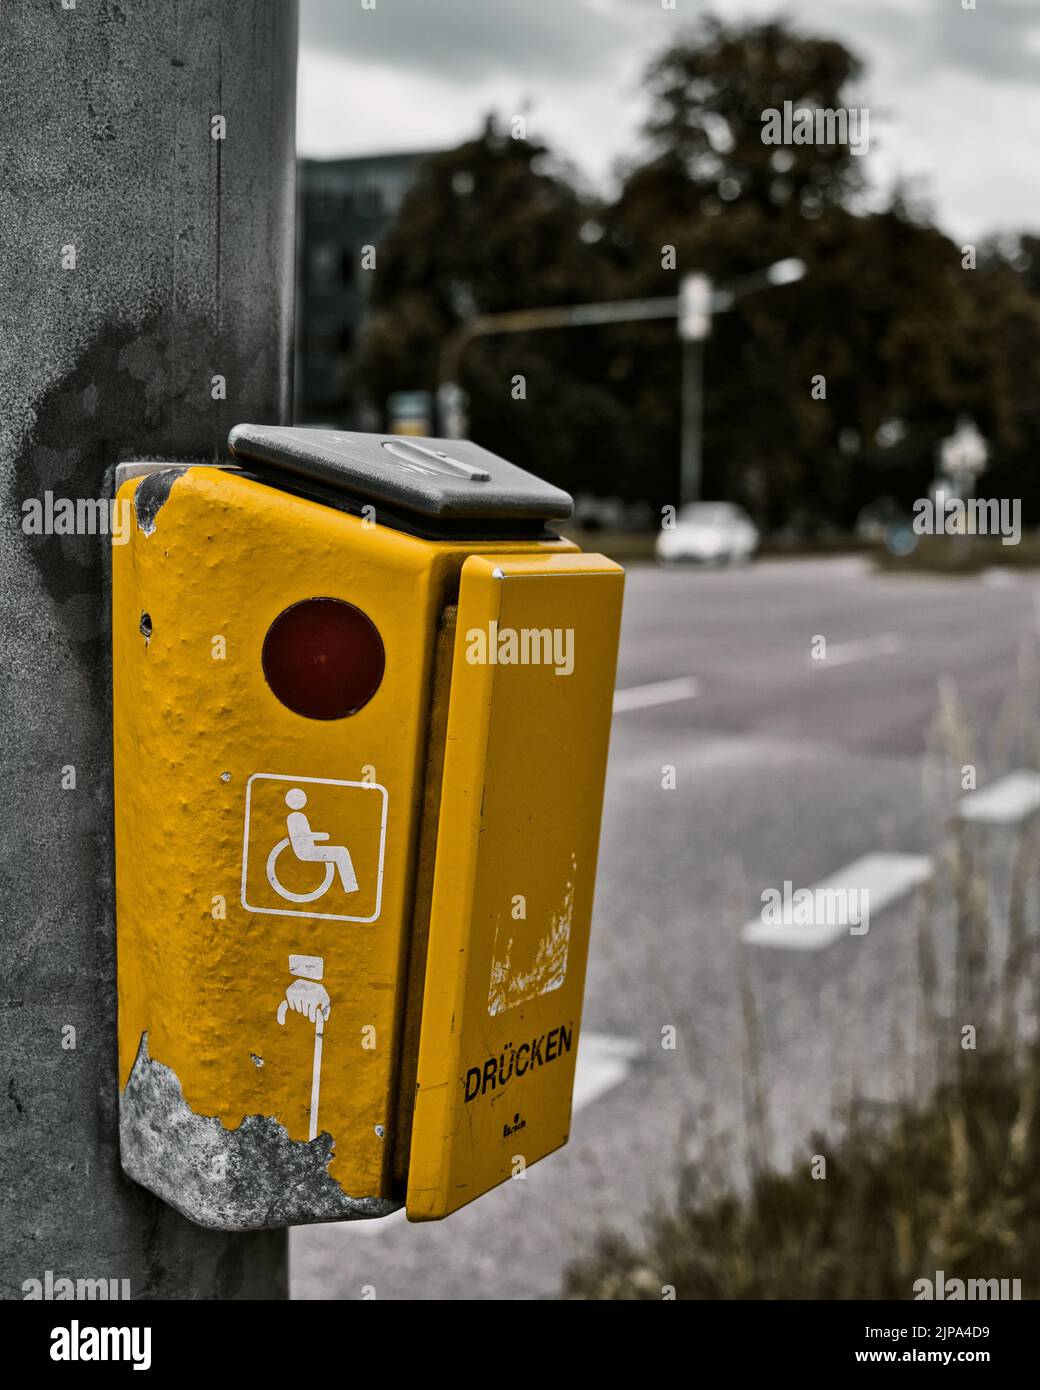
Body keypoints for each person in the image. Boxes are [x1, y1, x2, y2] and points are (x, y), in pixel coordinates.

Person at [283, 787, 358, 893]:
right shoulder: (295, 817)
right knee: (342, 852)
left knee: (342, 851)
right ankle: (351, 888)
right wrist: (323, 836)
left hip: (310, 848)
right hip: (305, 851)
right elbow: (302, 837)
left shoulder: (298, 816)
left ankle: (351, 887)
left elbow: (305, 836)